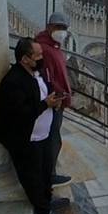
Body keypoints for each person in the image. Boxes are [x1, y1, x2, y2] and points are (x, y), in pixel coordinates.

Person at [0, 37, 66, 214]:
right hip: (26, 140)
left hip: (42, 136)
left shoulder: (36, 73)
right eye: (38, 55)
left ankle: (47, 200)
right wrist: (46, 104)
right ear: (25, 59)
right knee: (33, 177)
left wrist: (56, 99)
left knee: (45, 172)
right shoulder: (13, 81)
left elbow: (45, 91)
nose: (42, 58)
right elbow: (20, 113)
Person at [37, 18, 76, 185]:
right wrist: (58, 98)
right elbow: (47, 78)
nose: (62, 31)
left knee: (53, 137)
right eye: (59, 27)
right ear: (49, 27)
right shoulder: (45, 49)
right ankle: (49, 176)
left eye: (64, 27)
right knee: (52, 139)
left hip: (58, 100)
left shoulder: (53, 45)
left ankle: (47, 172)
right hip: (54, 101)